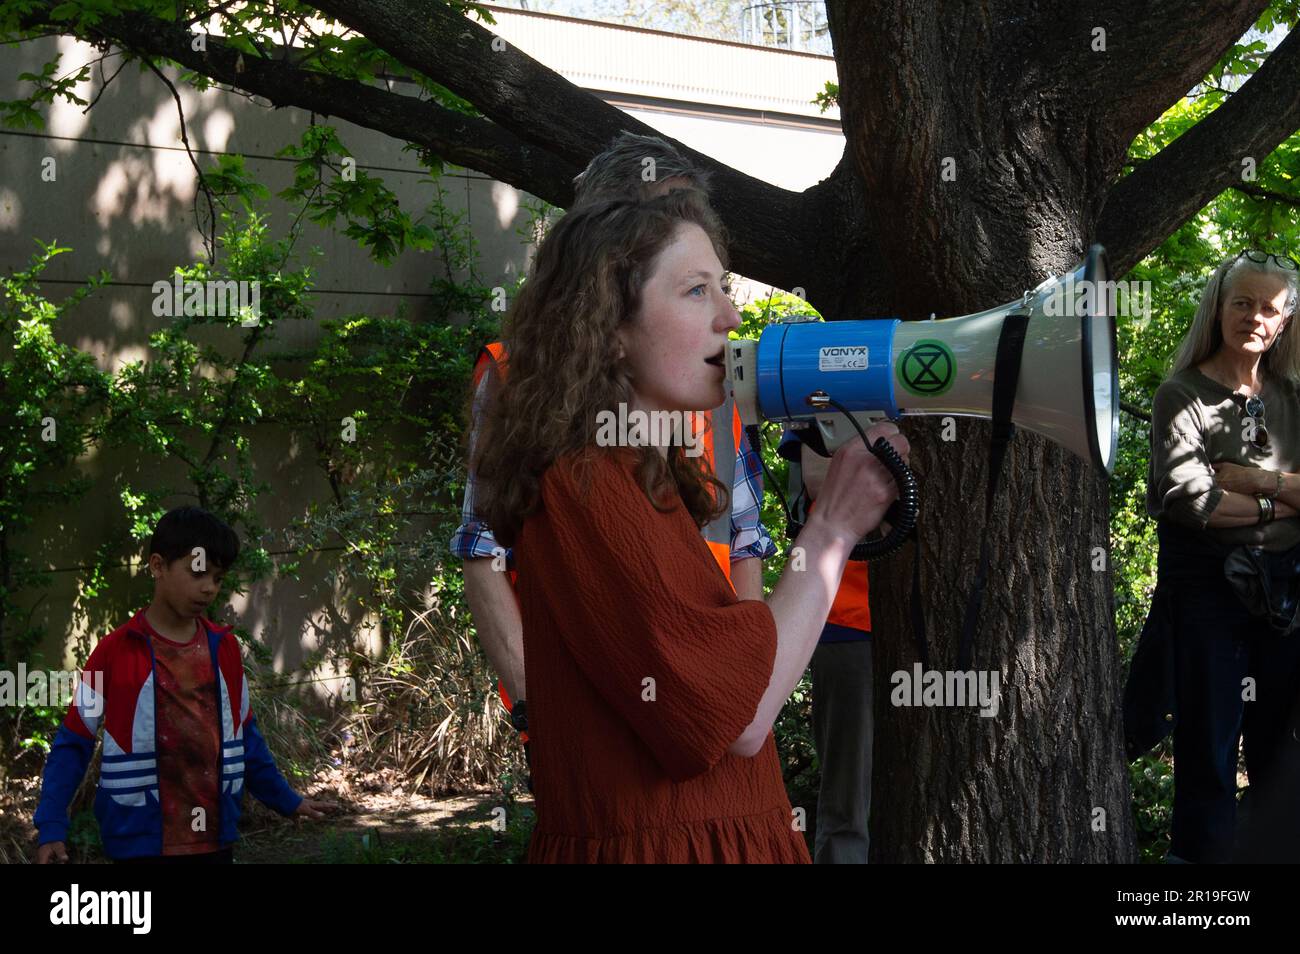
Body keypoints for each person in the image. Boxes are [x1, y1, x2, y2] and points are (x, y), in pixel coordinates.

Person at [471, 188, 907, 863]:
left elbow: (735, 660)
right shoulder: (588, 481)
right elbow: (740, 718)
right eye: (697, 292)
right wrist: (831, 530)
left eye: (724, 289)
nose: (732, 316)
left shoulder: (635, 464)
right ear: (610, 328)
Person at [451, 132, 775, 767]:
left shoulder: (717, 381)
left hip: (715, 710)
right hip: (597, 718)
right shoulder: (517, 377)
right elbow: (481, 552)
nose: (726, 315)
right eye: (659, 224)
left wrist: (747, 688)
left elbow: (744, 546)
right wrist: (535, 707)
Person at [33, 507, 334, 863]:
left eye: (218, 578)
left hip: (214, 840)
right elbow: (74, 741)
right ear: (158, 566)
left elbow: (245, 737)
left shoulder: (225, 651)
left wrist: (287, 800)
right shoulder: (113, 653)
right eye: (198, 572)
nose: (208, 587)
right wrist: (51, 824)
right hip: (139, 845)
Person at [1133, 249, 1300, 863]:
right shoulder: (1182, 395)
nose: (1254, 317)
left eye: (1269, 308)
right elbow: (1192, 503)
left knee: (1279, 753)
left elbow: (1222, 492)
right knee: (1206, 748)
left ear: (1283, 321)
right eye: (1242, 302)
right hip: (1207, 597)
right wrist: (1284, 503)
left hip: (1283, 599)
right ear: (1219, 308)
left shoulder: (1291, 396)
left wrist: (1254, 482)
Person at [778, 426, 875, 863]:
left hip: (924, 625)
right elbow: (820, 479)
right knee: (847, 804)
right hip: (847, 620)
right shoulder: (815, 378)